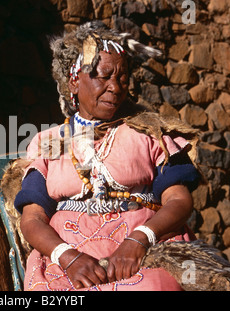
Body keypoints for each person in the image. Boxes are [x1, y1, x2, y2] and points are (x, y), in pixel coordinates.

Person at [13, 21, 201, 291]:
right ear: (75, 81)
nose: (115, 87)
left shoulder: (148, 133)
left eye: (122, 77)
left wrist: (140, 239)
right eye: (103, 76)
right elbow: (32, 219)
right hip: (69, 256)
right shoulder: (48, 143)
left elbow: (179, 200)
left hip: (146, 247)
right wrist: (67, 257)